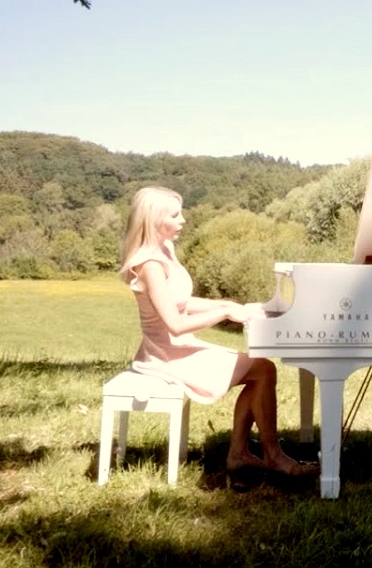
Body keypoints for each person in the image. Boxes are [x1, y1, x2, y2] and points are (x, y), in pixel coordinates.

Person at [118, 186, 315, 482]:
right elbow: (175, 323)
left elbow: (182, 302)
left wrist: (227, 303)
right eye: (175, 215)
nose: (183, 220)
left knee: (261, 369)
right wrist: (224, 313)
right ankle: (269, 457)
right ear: (154, 220)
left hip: (176, 348)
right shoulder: (150, 265)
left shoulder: (165, 251)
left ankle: (242, 455)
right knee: (262, 369)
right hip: (167, 355)